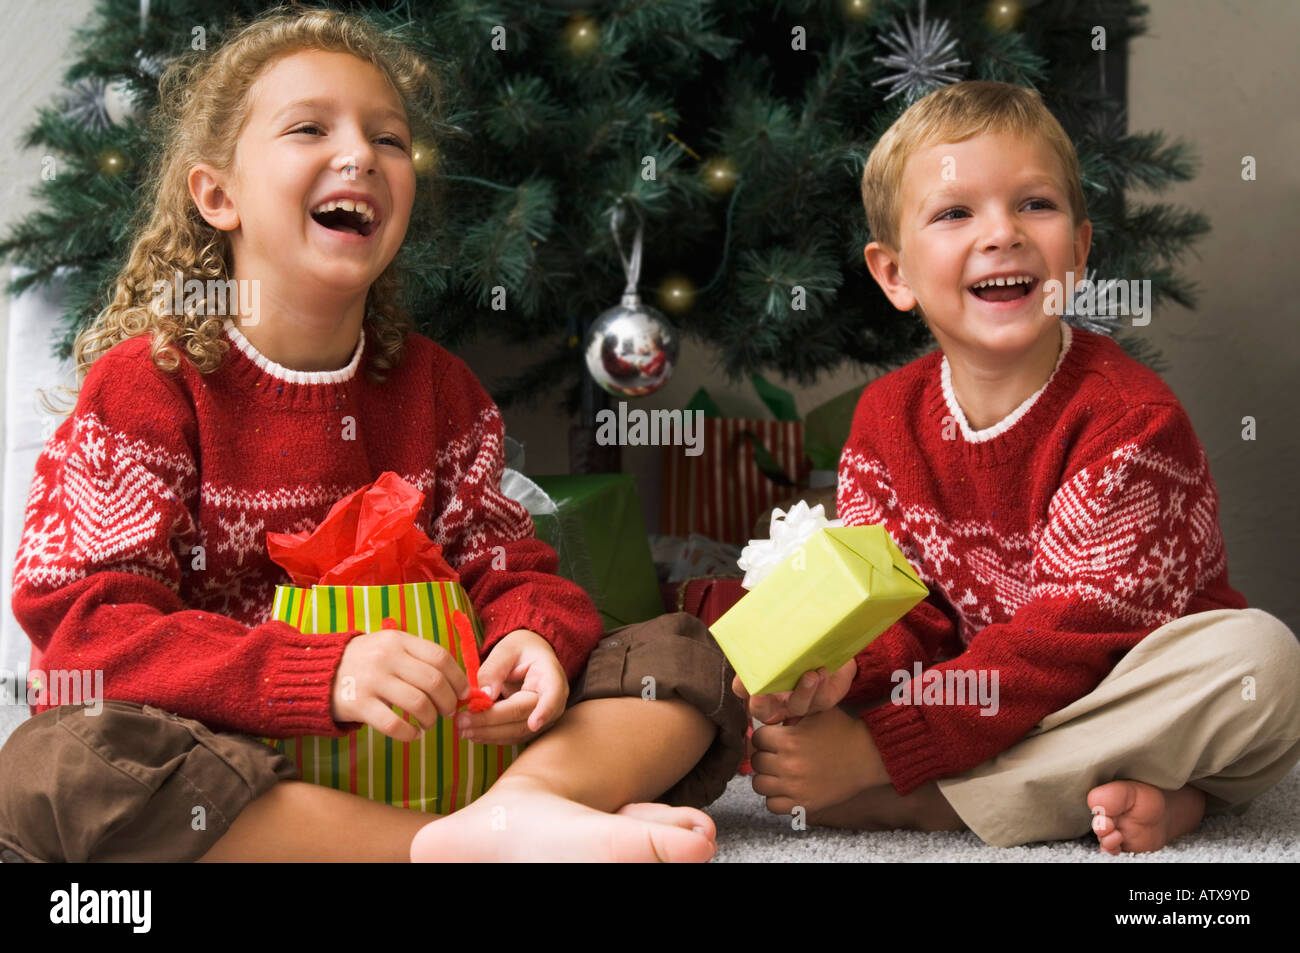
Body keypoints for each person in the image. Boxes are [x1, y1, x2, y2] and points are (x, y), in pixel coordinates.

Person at [0, 4, 744, 864]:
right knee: (55, 770)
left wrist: (528, 637)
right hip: (243, 762)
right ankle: (451, 847)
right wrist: (323, 672)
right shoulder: (145, 389)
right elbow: (86, 630)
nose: (359, 154)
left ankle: (527, 803)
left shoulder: (437, 389)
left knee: (685, 656)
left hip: (438, 743)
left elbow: (510, 567)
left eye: (389, 140)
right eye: (310, 127)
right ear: (218, 194)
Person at [736, 79, 1300, 854]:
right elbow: (905, 611)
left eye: (1035, 204)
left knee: (1261, 662)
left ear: (1080, 247)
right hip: (978, 700)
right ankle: (1153, 802)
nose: (1003, 233)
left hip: (1128, 690)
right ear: (894, 273)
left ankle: (936, 804)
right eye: (955, 212)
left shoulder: (1129, 420)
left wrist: (878, 751)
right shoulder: (885, 419)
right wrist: (843, 676)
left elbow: (1065, 645)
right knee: (820, 705)